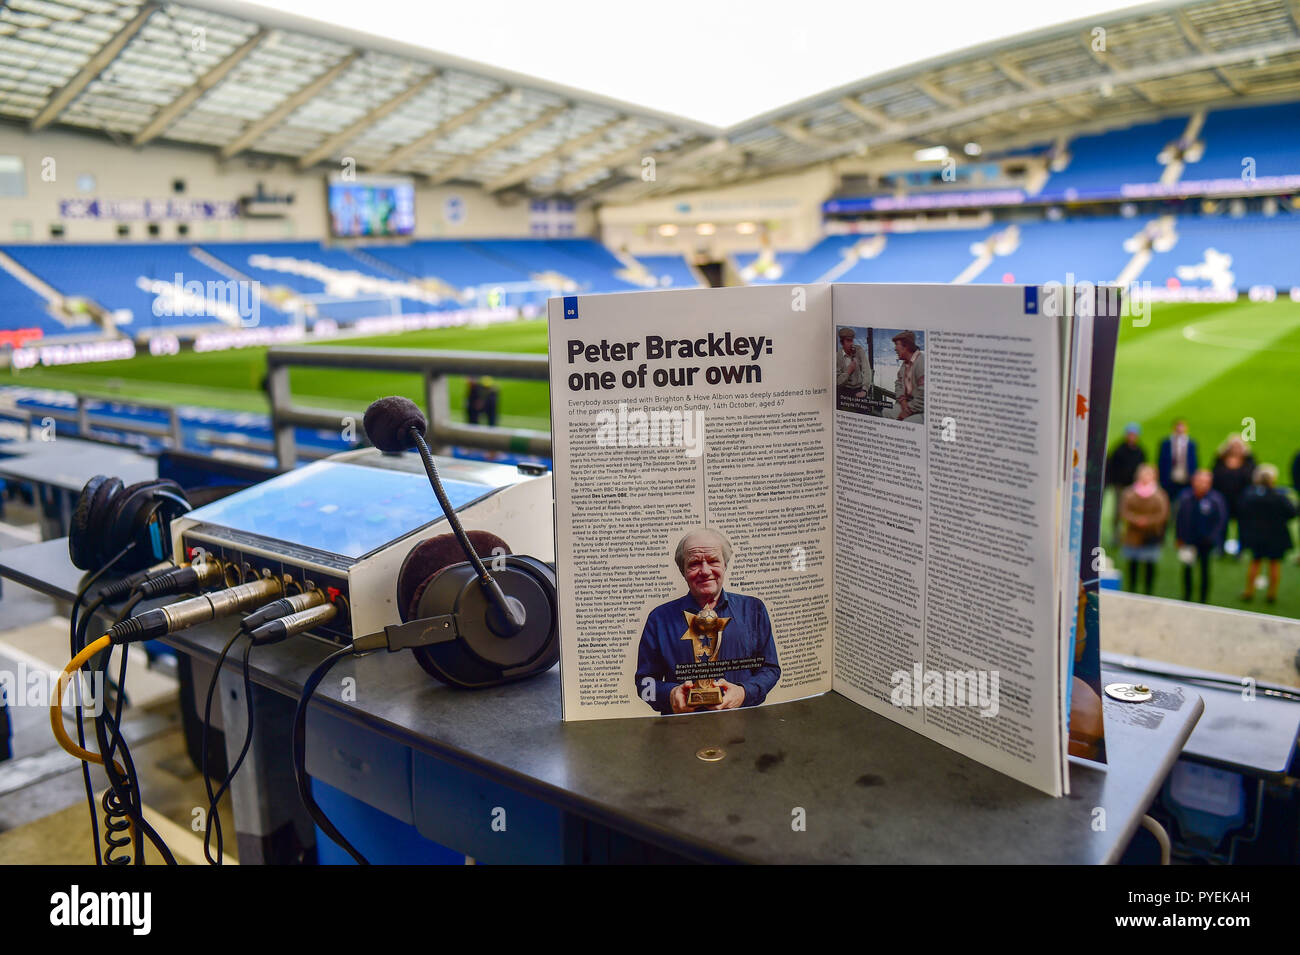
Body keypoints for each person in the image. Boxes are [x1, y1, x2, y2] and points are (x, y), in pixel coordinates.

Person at [634, 528, 780, 714]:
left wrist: (743, 692)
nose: (705, 571)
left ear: (725, 565)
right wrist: (669, 695)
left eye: (713, 561)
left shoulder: (753, 609)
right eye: (694, 563)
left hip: (743, 727)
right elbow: (643, 684)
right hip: (682, 730)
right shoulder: (659, 619)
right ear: (683, 570)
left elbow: (771, 669)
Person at [1238, 464, 1296, 604]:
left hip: (1257, 535)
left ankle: (1249, 591)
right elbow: (1292, 513)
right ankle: (1272, 594)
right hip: (1276, 536)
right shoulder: (1279, 497)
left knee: (1255, 562)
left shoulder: (1251, 496)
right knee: (1274, 564)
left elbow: (1243, 511)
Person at [1174, 469, 1227, 603]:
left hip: (1205, 543)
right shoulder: (1185, 497)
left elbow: (1220, 521)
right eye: (1199, 481)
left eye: (1205, 482)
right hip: (1188, 541)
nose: (1202, 484)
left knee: (1204, 571)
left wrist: (1212, 538)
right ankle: (1186, 596)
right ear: (1193, 482)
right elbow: (1179, 518)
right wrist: (1179, 537)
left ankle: (1203, 599)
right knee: (1187, 568)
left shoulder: (1215, 499)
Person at [1118, 464, 1169, 595]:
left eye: (1149, 475)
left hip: (1150, 535)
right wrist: (1137, 520)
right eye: (1143, 474)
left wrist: (1147, 522)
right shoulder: (1129, 493)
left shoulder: (1160, 495)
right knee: (1133, 564)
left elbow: (1162, 514)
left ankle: (1148, 591)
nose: (1146, 477)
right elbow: (1124, 511)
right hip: (1133, 535)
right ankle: (1132, 589)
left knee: (1149, 565)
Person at [1212, 434, 1256, 556]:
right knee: (1221, 524)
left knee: (1242, 526)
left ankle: (1240, 550)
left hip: (1241, 500)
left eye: (1239, 446)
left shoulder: (1249, 461)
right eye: (1233, 446)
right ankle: (1219, 548)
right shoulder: (1220, 460)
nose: (1236, 449)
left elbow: (1252, 478)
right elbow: (1214, 476)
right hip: (1223, 498)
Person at [1106, 423, 1147, 546]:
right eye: (1130, 434)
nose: (1132, 437)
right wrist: (1113, 483)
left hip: (1134, 488)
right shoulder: (1119, 449)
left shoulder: (1140, 451)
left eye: (1134, 435)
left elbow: (1142, 469)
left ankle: (1129, 535)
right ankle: (1116, 535)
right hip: (1120, 486)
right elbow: (1112, 468)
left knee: (1132, 512)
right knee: (1118, 511)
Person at [1158, 418, 1197, 507]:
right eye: (1178, 427)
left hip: (1185, 478)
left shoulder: (1191, 443)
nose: (1180, 429)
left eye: (1182, 427)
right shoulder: (1166, 443)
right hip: (1169, 478)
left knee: (1184, 502)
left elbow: (1194, 461)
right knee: (1168, 503)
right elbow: (1161, 461)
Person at [890, 330, 924, 423]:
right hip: (908, 404)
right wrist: (903, 402)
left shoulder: (921, 362)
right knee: (887, 412)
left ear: (906, 346)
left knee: (907, 423)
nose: (895, 349)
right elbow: (898, 384)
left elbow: (923, 395)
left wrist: (908, 410)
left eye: (897, 344)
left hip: (922, 410)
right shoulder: (905, 364)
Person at [835, 327, 869, 399]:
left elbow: (866, 370)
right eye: (848, 341)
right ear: (842, 342)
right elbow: (837, 381)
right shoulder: (837, 356)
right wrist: (848, 371)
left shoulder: (859, 351)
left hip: (859, 389)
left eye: (852, 341)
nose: (851, 344)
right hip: (844, 389)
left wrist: (864, 389)